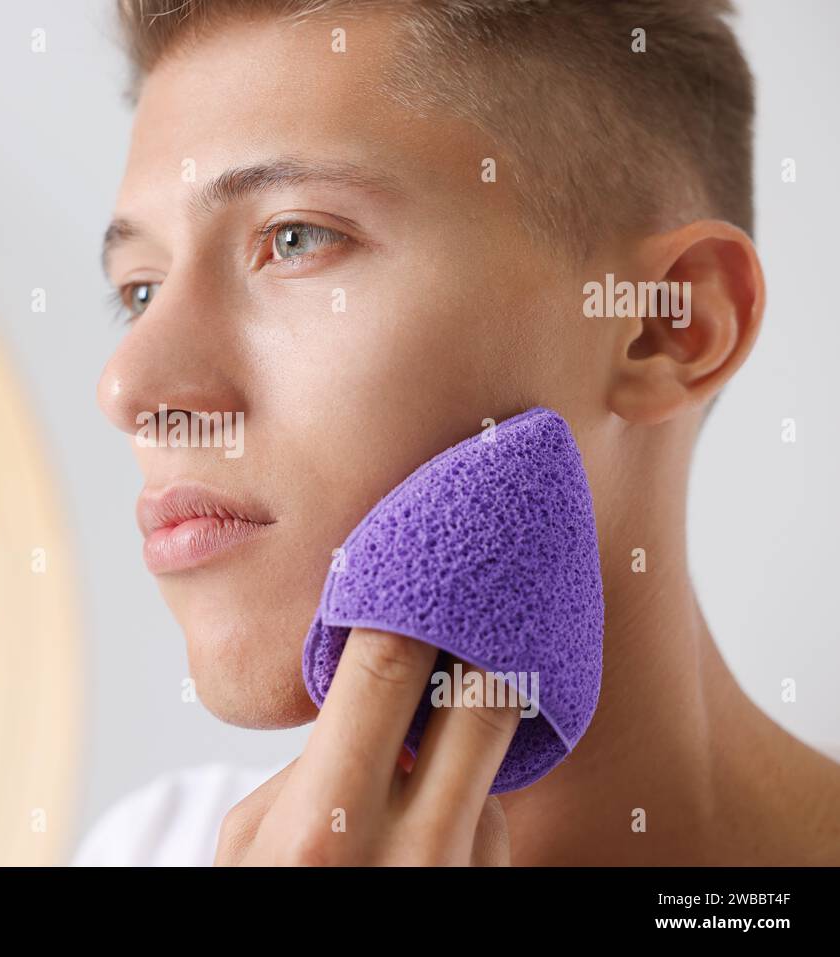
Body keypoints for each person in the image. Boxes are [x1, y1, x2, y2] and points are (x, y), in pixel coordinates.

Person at [79, 0, 840, 865]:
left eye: (294, 238)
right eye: (138, 290)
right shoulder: (145, 844)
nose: (127, 387)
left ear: (665, 326)